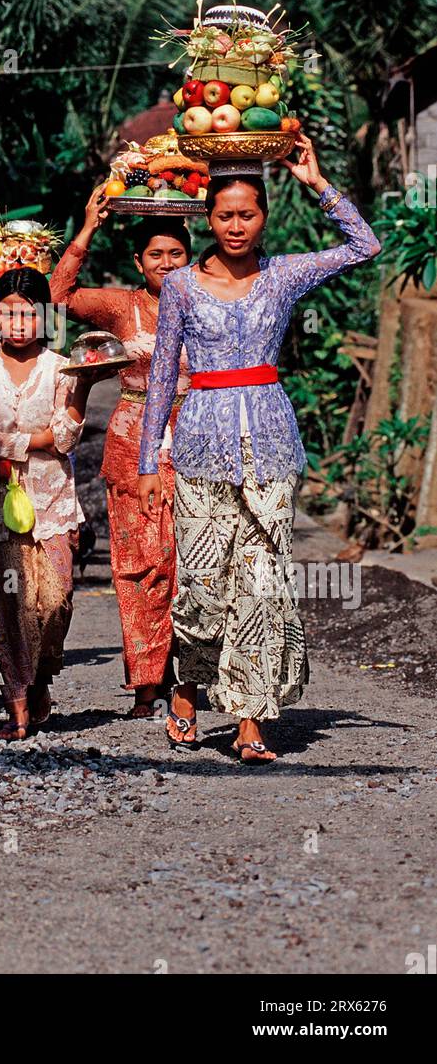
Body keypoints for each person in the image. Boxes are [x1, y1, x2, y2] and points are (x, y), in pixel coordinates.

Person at [138, 137, 381, 763]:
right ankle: (187, 685)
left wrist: (317, 182)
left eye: (248, 214)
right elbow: (164, 373)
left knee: (263, 583)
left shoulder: (284, 274)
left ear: (264, 217)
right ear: (208, 220)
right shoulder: (183, 287)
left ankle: (250, 719)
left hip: (270, 444)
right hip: (199, 447)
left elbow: (365, 246)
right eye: (225, 215)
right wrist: (146, 462)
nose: (237, 226)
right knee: (200, 585)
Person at [50, 189, 191, 717]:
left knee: (187, 563)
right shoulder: (122, 305)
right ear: (138, 262)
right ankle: (146, 683)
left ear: (191, 258)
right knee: (137, 565)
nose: (166, 263)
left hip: (198, 440)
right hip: (132, 443)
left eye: (176, 254)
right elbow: (59, 294)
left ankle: (188, 679)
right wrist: (88, 227)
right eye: (156, 255)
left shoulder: (204, 296)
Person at [0, 268, 91, 740]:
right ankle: (16, 704)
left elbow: (67, 436)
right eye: (9, 312)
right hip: (3, 502)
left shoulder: (63, 368)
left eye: (27, 313)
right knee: (13, 603)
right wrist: (31, 441)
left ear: (44, 316)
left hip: (54, 500)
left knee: (56, 603)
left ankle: (39, 681)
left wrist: (14, 442)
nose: (18, 322)